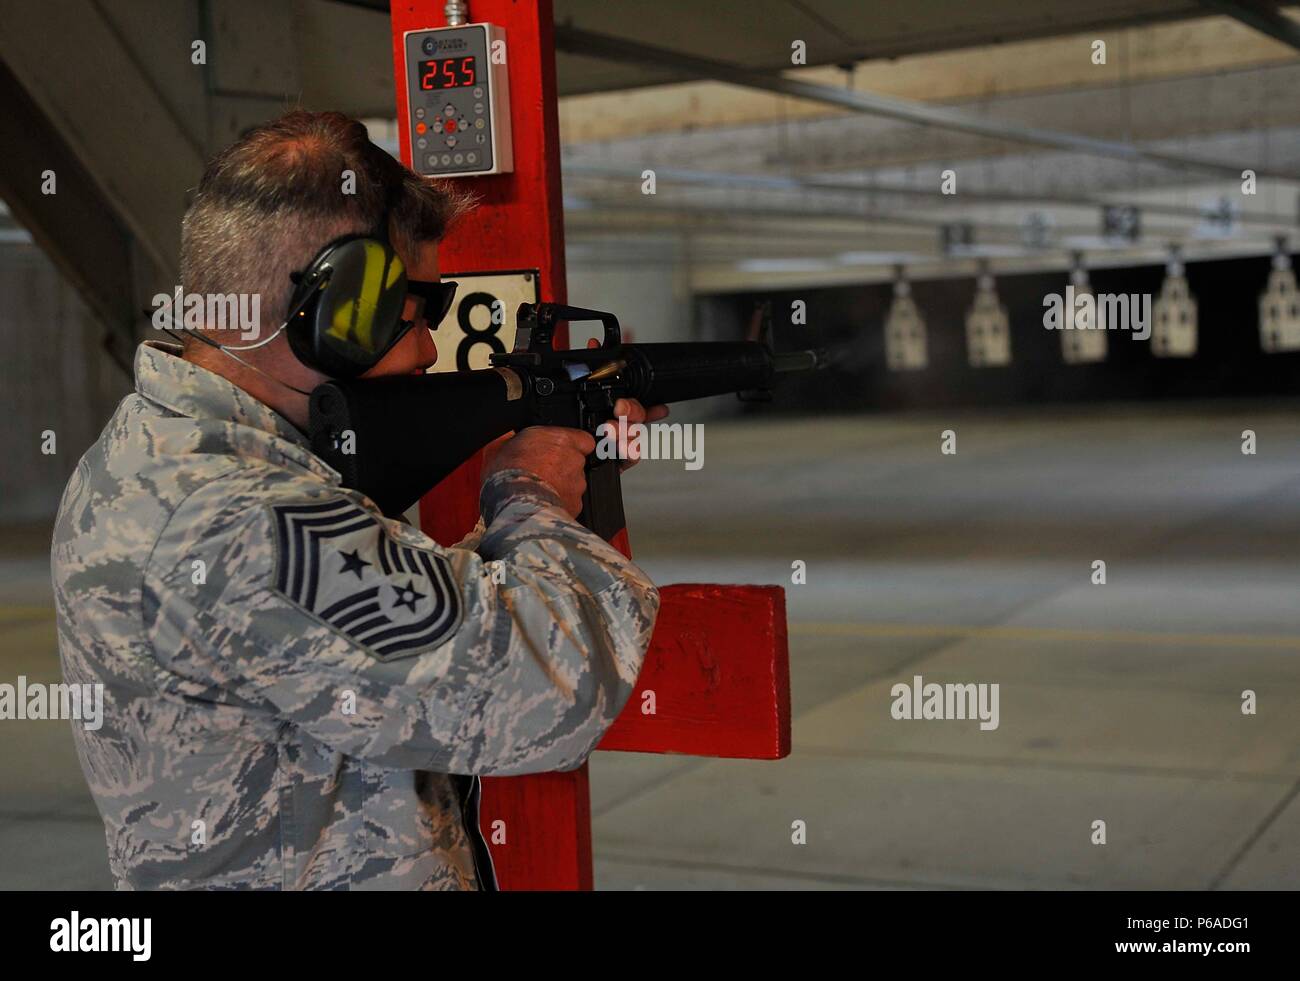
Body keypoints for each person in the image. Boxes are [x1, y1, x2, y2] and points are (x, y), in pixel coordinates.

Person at [50, 110, 663, 890]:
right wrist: (532, 490)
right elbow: (547, 688)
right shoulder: (241, 512)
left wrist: (547, 488)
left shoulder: (154, 453)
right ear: (338, 307)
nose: (432, 347)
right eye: (420, 310)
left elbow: (371, 628)